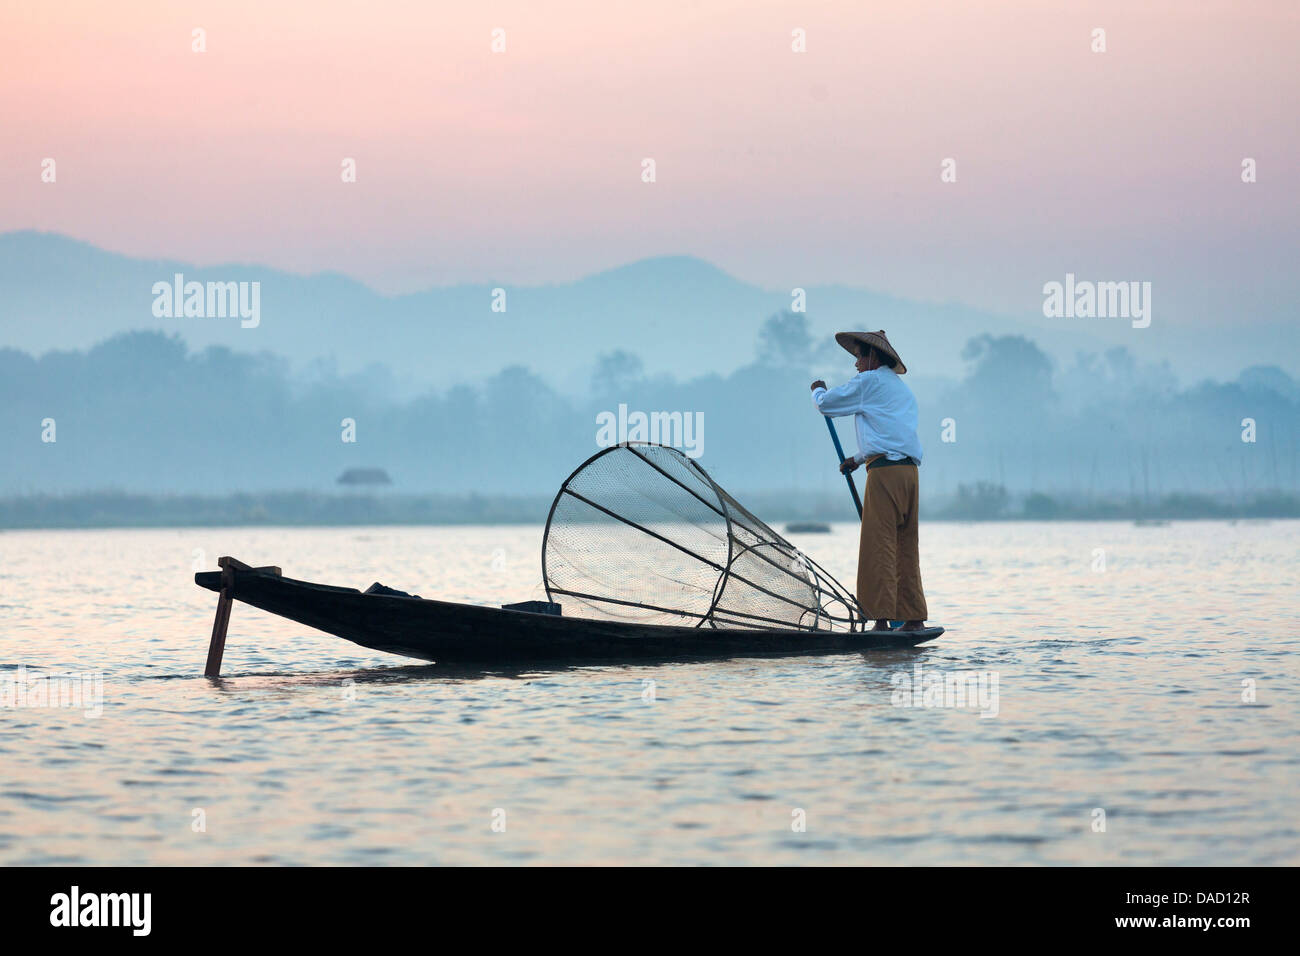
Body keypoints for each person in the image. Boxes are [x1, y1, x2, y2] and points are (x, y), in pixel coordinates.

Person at [810, 330, 929, 632]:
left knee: (878, 546)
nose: (856, 365)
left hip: (885, 476)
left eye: (859, 357)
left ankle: (880, 621)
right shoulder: (903, 391)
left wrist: (817, 391)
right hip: (909, 475)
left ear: (873, 357)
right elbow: (891, 435)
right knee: (905, 546)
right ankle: (913, 618)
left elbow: (827, 405)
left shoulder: (869, 382)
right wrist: (858, 458)